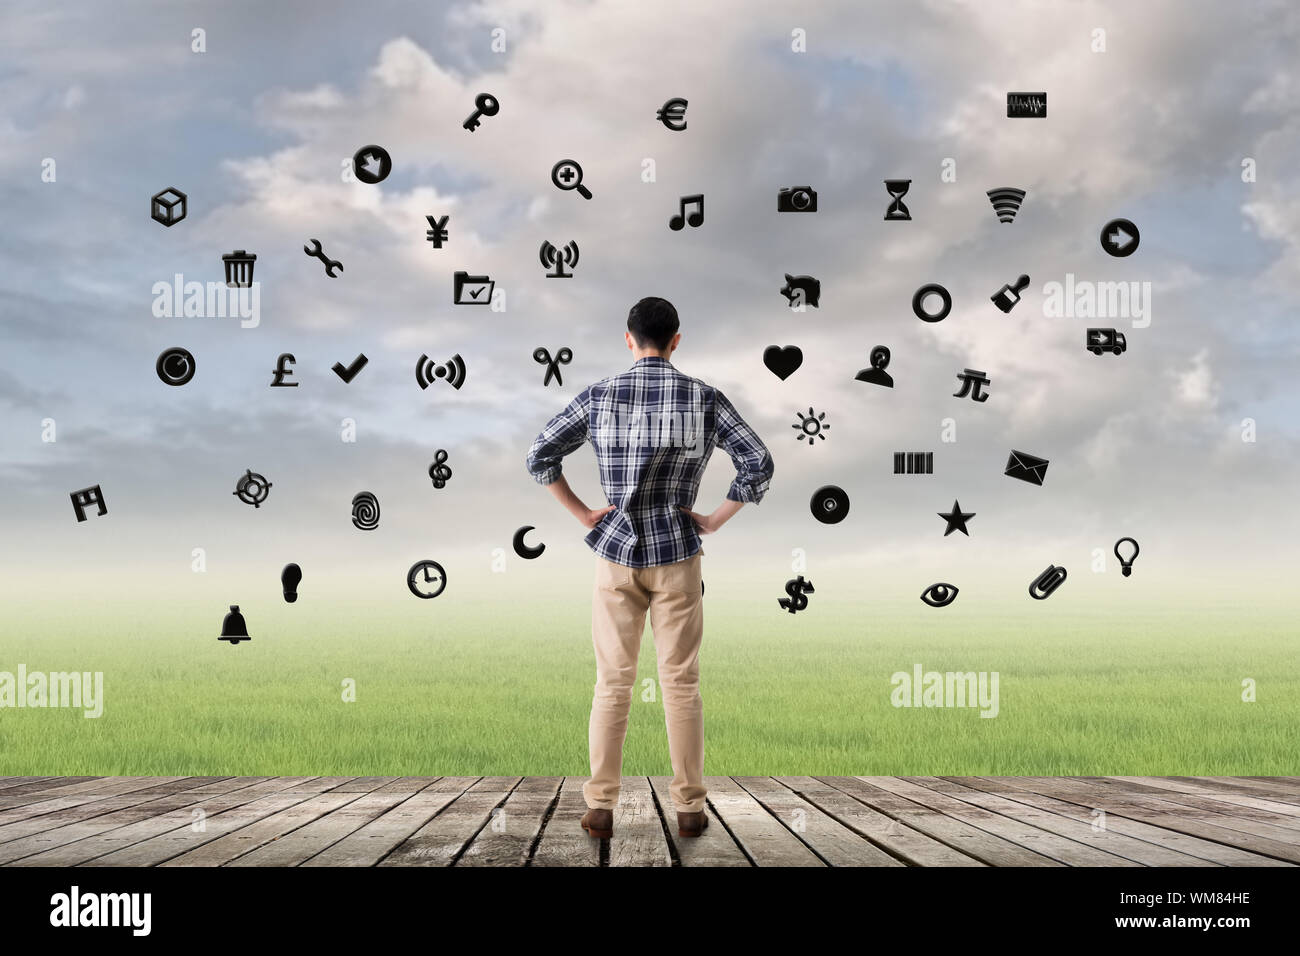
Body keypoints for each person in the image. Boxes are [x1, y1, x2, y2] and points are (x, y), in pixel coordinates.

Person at [525, 296, 773, 839]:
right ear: (677, 339)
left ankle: (600, 807)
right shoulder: (704, 398)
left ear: (628, 338)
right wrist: (714, 519)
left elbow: (540, 454)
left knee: (612, 683)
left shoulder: (599, 395)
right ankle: (688, 808)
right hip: (679, 555)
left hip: (615, 555)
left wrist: (585, 514)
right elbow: (759, 461)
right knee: (681, 682)